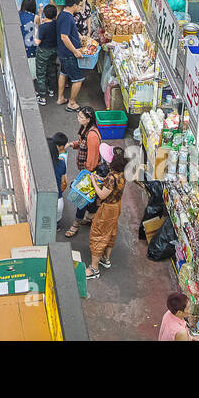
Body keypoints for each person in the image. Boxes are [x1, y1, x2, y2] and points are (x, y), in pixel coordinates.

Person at [87, 146, 127, 275]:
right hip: (116, 206)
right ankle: (106, 259)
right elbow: (112, 186)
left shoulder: (111, 177)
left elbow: (102, 195)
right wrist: (100, 179)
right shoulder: (121, 174)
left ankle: (94, 268)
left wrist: (94, 181)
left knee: (98, 233)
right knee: (111, 231)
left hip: (108, 209)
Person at [64, 106, 101, 238]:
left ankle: (76, 224)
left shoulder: (92, 136)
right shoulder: (85, 130)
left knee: (81, 198)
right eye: (78, 116)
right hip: (85, 171)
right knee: (89, 198)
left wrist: (84, 177)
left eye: (81, 117)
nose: (78, 118)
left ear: (88, 119)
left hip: (90, 173)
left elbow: (91, 161)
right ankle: (91, 216)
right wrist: (71, 144)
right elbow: (81, 143)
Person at [56, 0, 86, 110]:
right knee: (78, 79)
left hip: (63, 52)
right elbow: (64, 36)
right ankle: (72, 103)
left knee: (63, 73)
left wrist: (79, 36)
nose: (80, 7)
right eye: (79, 5)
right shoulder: (67, 18)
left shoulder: (63, 14)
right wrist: (75, 51)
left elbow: (69, 32)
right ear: (74, 5)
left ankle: (61, 98)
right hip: (68, 54)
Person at [35, 3, 59, 105]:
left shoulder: (43, 27)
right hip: (54, 50)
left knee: (41, 73)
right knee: (52, 70)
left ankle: (42, 97)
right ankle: (51, 90)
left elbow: (37, 42)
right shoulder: (57, 24)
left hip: (43, 51)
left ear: (45, 13)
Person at [50, 132, 70, 227]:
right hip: (58, 199)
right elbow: (63, 180)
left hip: (47, 199)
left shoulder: (46, 165)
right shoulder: (61, 163)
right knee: (56, 222)